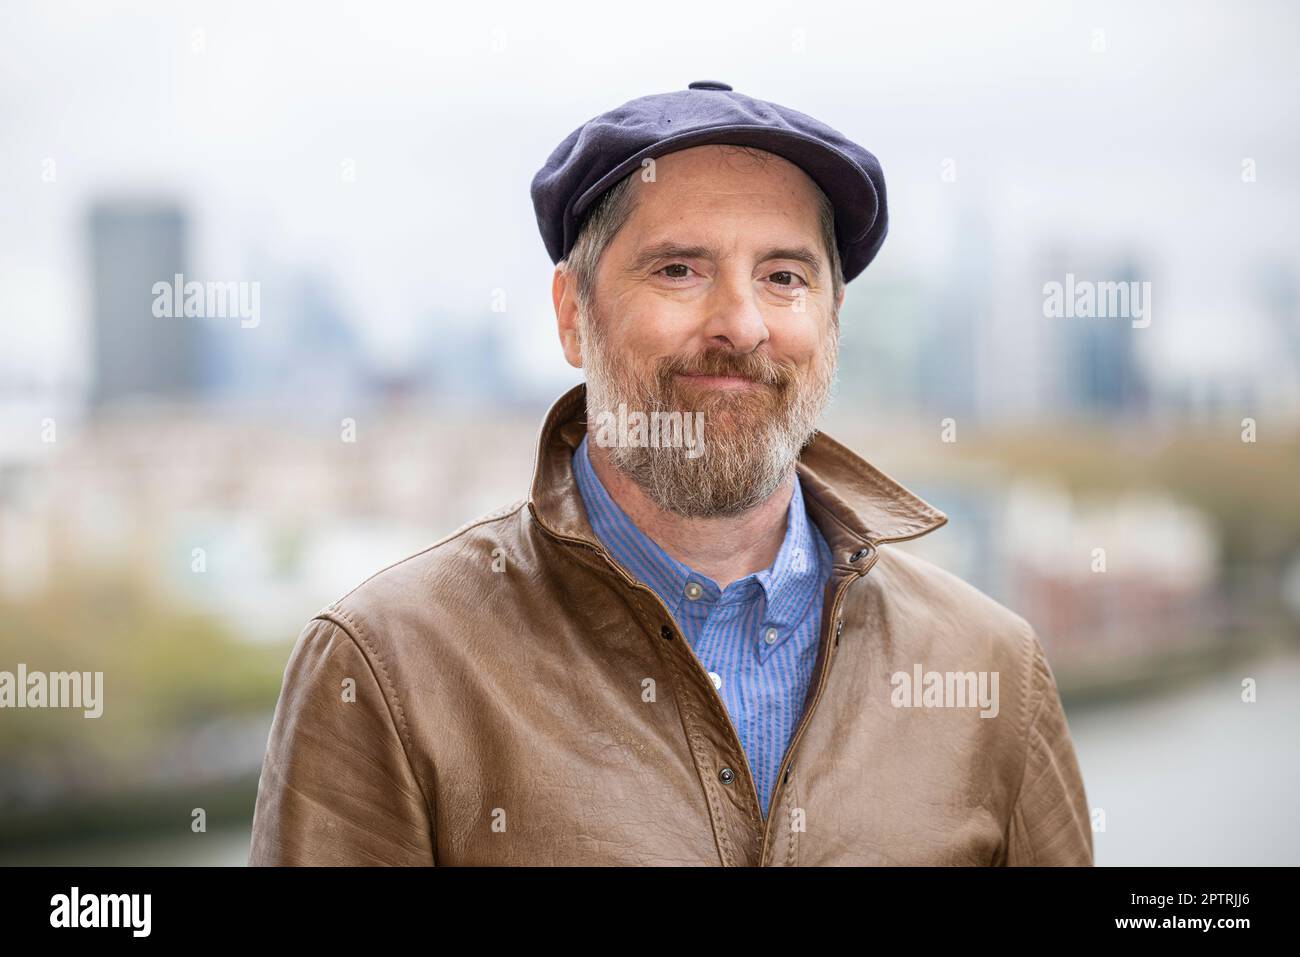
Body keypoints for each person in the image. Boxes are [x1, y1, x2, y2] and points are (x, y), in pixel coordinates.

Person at [248, 81, 1093, 866]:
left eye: (784, 277)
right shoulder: (388, 669)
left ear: (833, 323)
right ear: (573, 316)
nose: (740, 323)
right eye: (679, 269)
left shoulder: (992, 667)